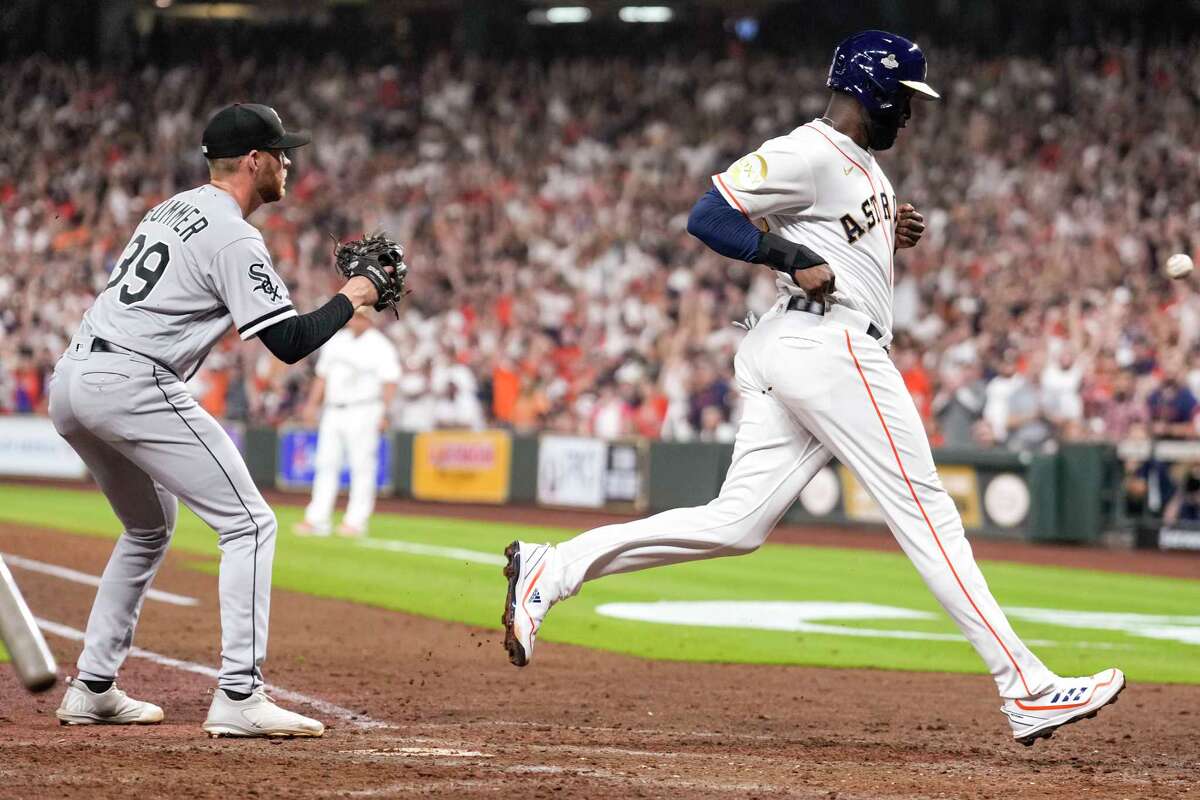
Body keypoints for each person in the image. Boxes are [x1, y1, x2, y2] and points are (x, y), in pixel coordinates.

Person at [500, 31, 1124, 747]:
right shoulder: (809, 150)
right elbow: (709, 214)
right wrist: (788, 254)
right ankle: (1029, 689)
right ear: (872, 91)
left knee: (737, 523)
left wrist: (892, 230)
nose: (911, 114)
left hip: (800, 345)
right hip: (827, 345)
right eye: (906, 99)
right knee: (926, 512)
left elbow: (840, 236)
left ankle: (557, 567)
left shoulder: (866, 171)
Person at [49, 103, 395, 737]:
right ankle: (240, 694)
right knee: (252, 524)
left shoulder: (173, 207)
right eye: (282, 153)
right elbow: (288, 342)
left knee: (151, 526)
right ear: (255, 161)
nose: (289, 162)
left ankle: (93, 685)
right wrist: (354, 296)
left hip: (73, 378)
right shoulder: (234, 232)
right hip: (129, 378)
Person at [296, 307, 399, 538]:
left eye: (361, 317)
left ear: (370, 320)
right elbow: (322, 376)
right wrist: (312, 404)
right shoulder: (337, 341)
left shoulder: (380, 345)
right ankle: (317, 518)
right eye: (354, 316)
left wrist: (385, 412)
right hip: (333, 409)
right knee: (325, 464)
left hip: (364, 408)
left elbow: (390, 381)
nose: (354, 320)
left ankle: (356, 521)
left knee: (361, 466)